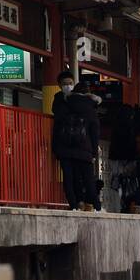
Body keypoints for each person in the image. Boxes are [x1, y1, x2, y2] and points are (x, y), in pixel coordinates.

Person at [53, 81, 101, 210]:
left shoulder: (64, 105)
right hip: (84, 149)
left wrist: (55, 148)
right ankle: (97, 207)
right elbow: (94, 133)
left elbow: (56, 128)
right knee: (88, 179)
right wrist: (94, 153)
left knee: (69, 178)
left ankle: (74, 205)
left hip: (65, 148)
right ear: (88, 94)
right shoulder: (90, 109)